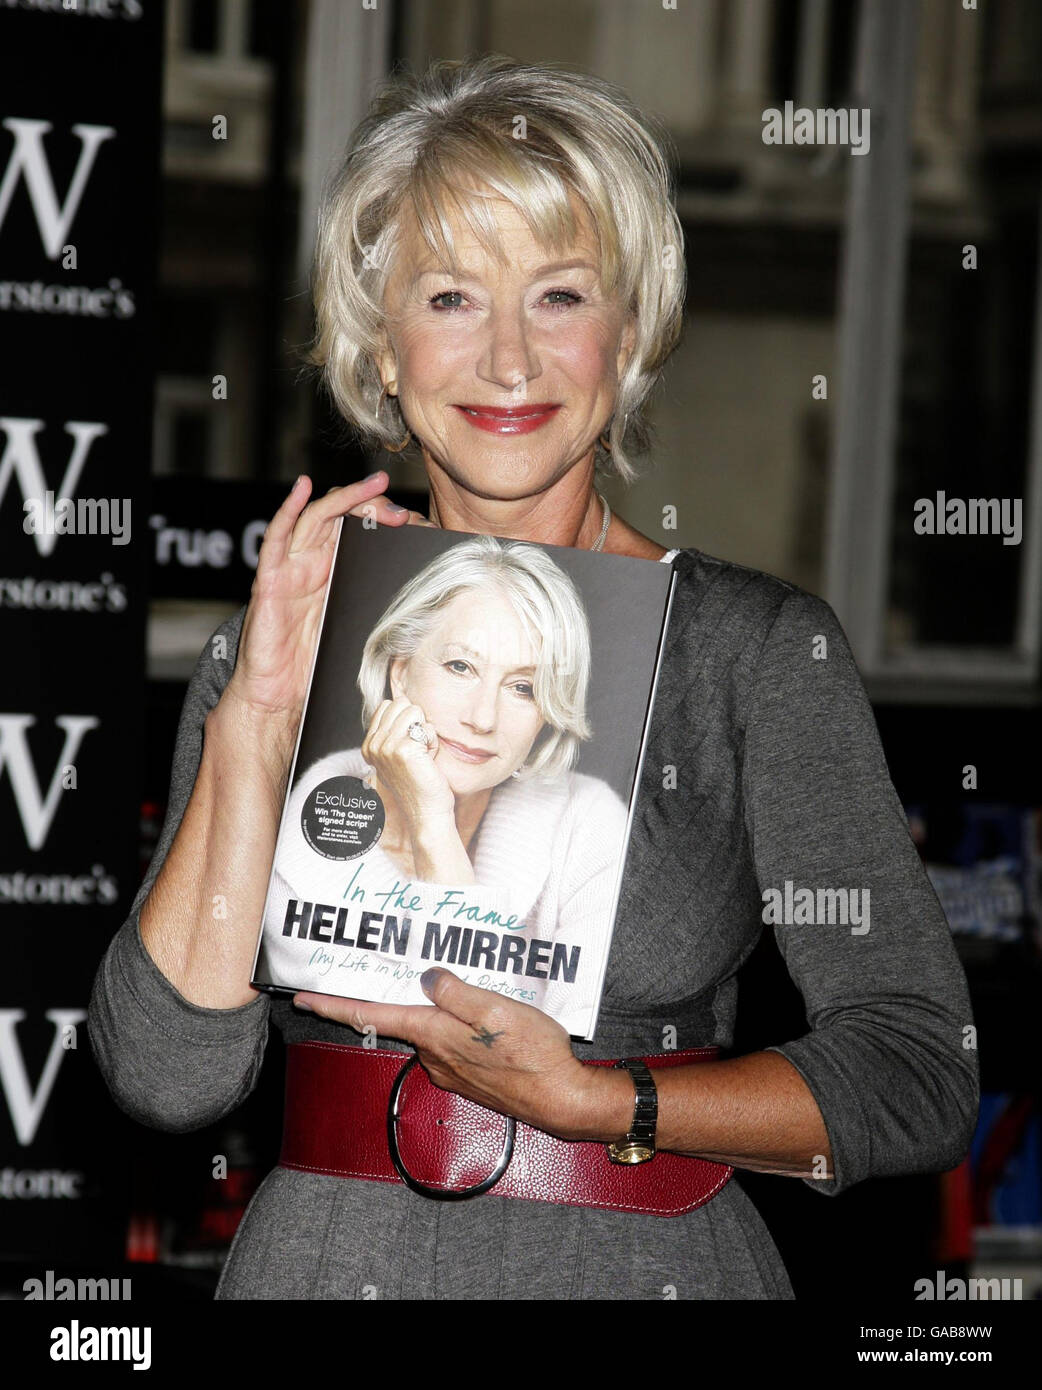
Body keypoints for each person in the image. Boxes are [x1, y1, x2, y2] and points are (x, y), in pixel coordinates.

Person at [88, 55, 978, 1300]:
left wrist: (606, 1098)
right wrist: (256, 720)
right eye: (450, 297)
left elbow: (921, 1069)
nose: (509, 359)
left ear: (629, 335)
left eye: (560, 295)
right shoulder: (296, 635)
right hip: (326, 1268)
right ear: (381, 349)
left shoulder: (755, 651)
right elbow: (167, 1078)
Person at [257, 533, 629, 1030]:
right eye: (460, 666)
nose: (482, 717)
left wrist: (433, 827)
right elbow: (471, 1036)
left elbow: (554, 1053)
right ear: (401, 672)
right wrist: (433, 820)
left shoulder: (589, 818)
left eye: (523, 687)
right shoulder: (305, 839)